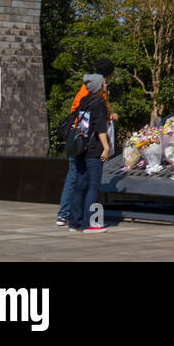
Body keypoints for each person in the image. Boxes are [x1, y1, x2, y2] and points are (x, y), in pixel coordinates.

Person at [56, 58, 117, 225]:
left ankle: (68, 215)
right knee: (80, 178)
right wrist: (105, 146)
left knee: (75, 176)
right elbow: (94, 120)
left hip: (76, 134)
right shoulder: (96, 90)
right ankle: (71, 215)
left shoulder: (88, 86)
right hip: (83, 137)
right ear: (109, 74)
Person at [68, 73, 111, 233]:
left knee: (80, 184)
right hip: (93, 150)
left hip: (80, 148)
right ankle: (89, 224)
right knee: (93, 186)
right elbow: (100, 128)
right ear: (99, 87)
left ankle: (74, 222)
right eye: (104, 84)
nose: (106, 86)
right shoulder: (99, 103)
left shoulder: (83, 102)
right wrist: (106, 148)